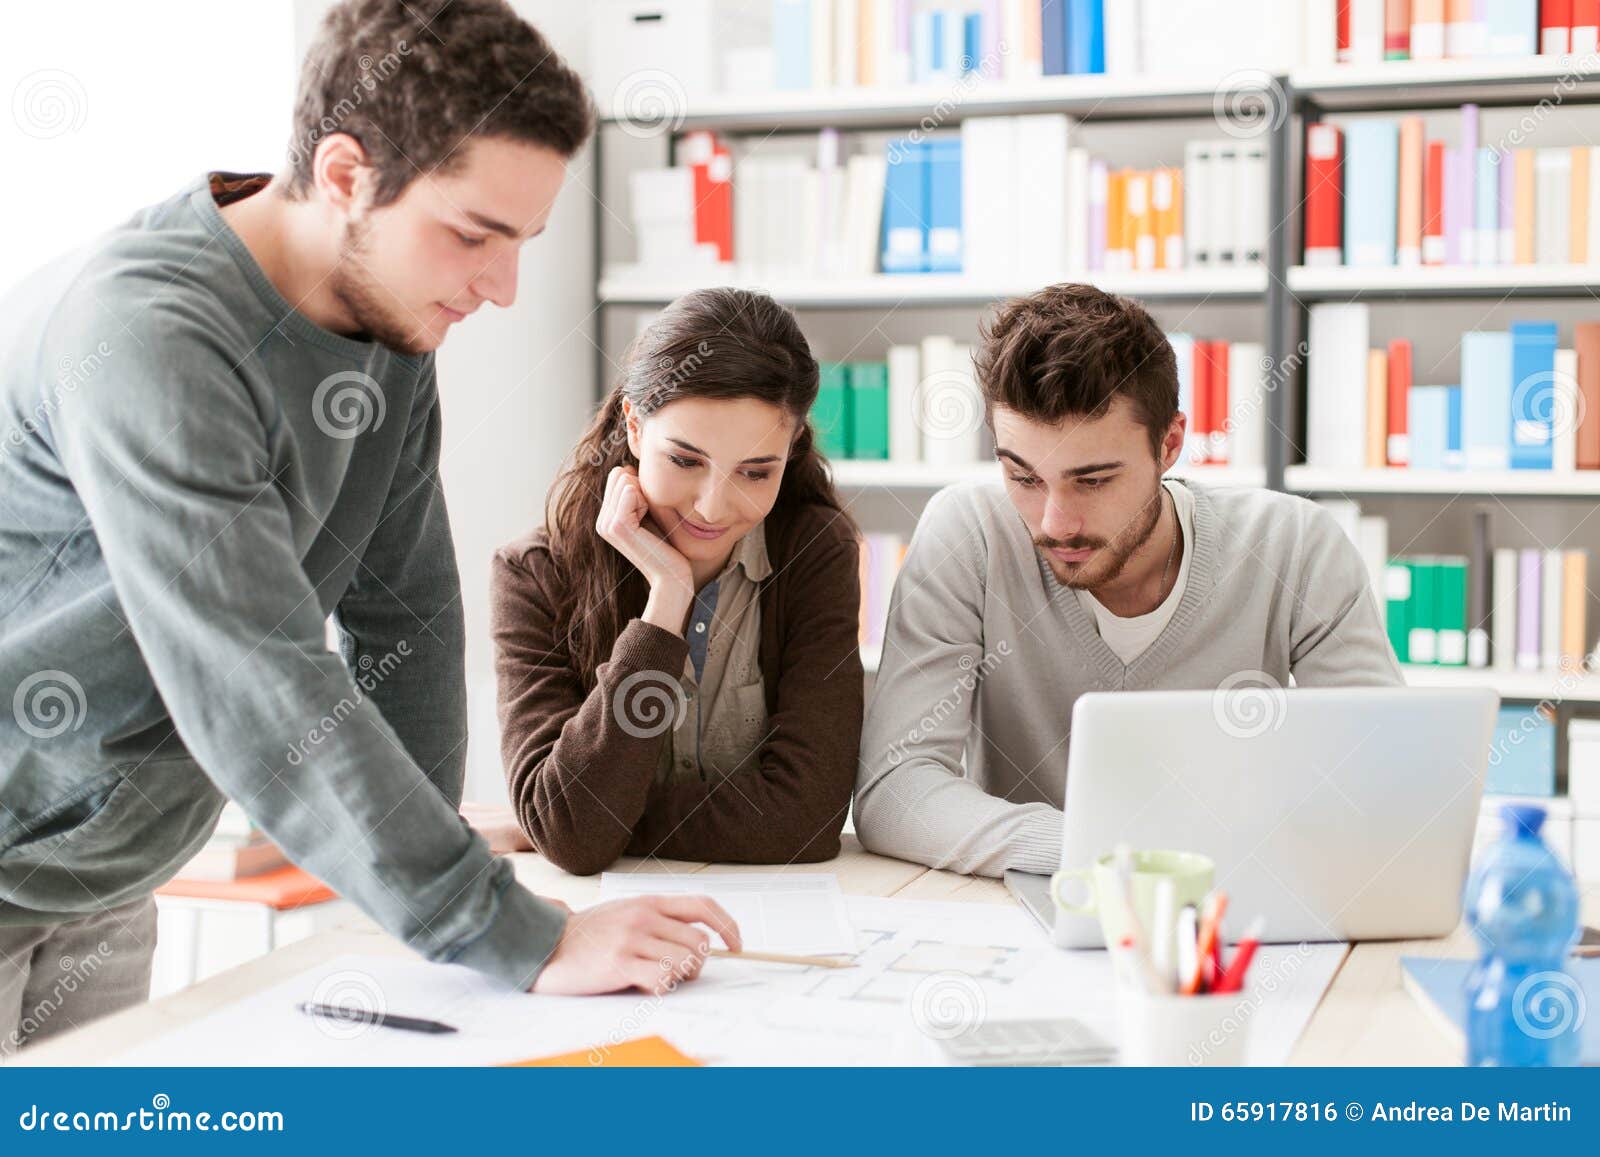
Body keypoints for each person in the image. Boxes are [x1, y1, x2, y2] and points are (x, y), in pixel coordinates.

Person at [0, 0, 737, 1055]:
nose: (502, 286)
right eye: (475, 236)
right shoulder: (151, 334)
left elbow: (408, 617)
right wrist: (501, 929)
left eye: (523, 242)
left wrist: (437, 897)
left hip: (105, 877)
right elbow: (260, 681)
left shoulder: (385, 330)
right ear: (345, 174)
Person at [854, 283, 1403, 877]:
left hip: (1228, 912)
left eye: (1092, 481)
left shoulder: (1294, 546)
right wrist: (1119, 855)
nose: (1053, 522)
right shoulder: (969, 533)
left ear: (1169, 444)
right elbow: (896, 792)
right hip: (1019, 910)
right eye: (1024, 477)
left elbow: (1382, 782)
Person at [468, 288, 863, 874]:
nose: (711, 507)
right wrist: (667, 601)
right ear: (633, 425)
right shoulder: (534, 575)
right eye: (685, 460)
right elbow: (573, 835)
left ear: (791, 449)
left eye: (756, 471)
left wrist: (580, 818)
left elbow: (804, 820)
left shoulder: (812, 551)